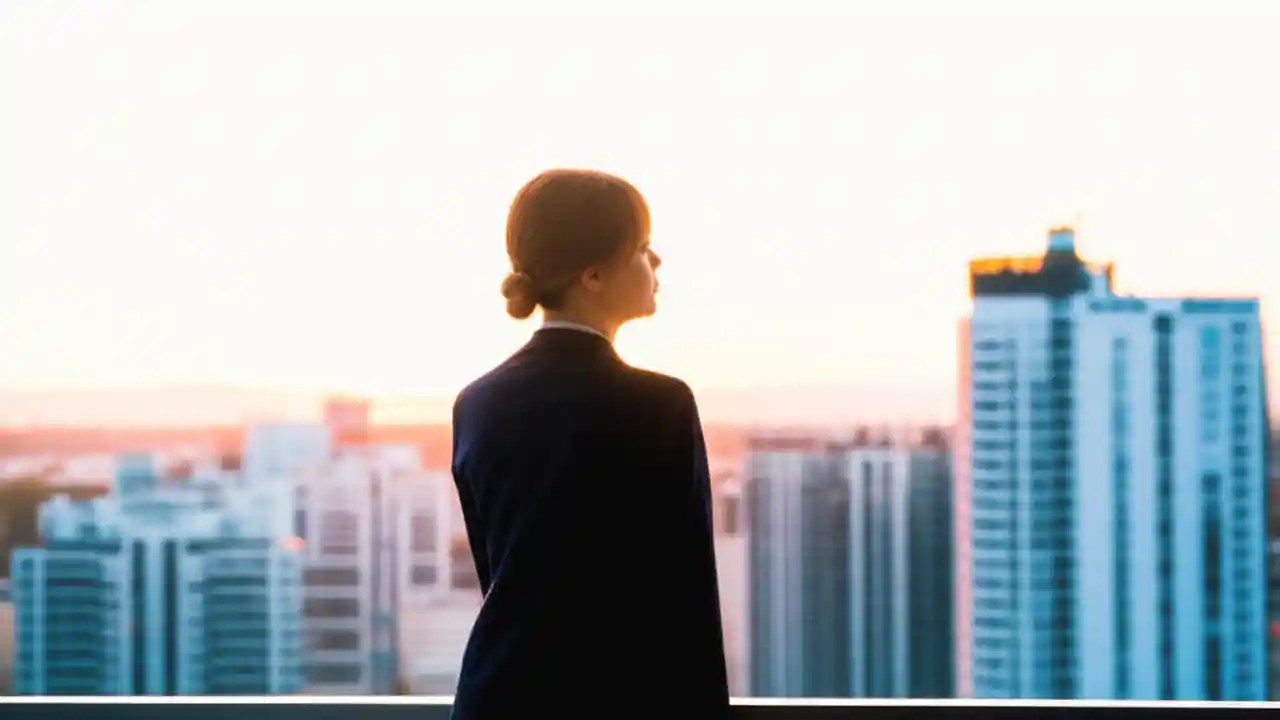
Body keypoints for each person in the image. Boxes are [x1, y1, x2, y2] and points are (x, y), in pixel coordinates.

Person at [449, 169, 730, 719]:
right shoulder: (659, 406)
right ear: (593, 275)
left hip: (495, 699)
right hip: (617, 704)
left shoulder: (476, 403)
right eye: (643, 249)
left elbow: (500, 578)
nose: (657, 263)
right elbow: (687, 601)